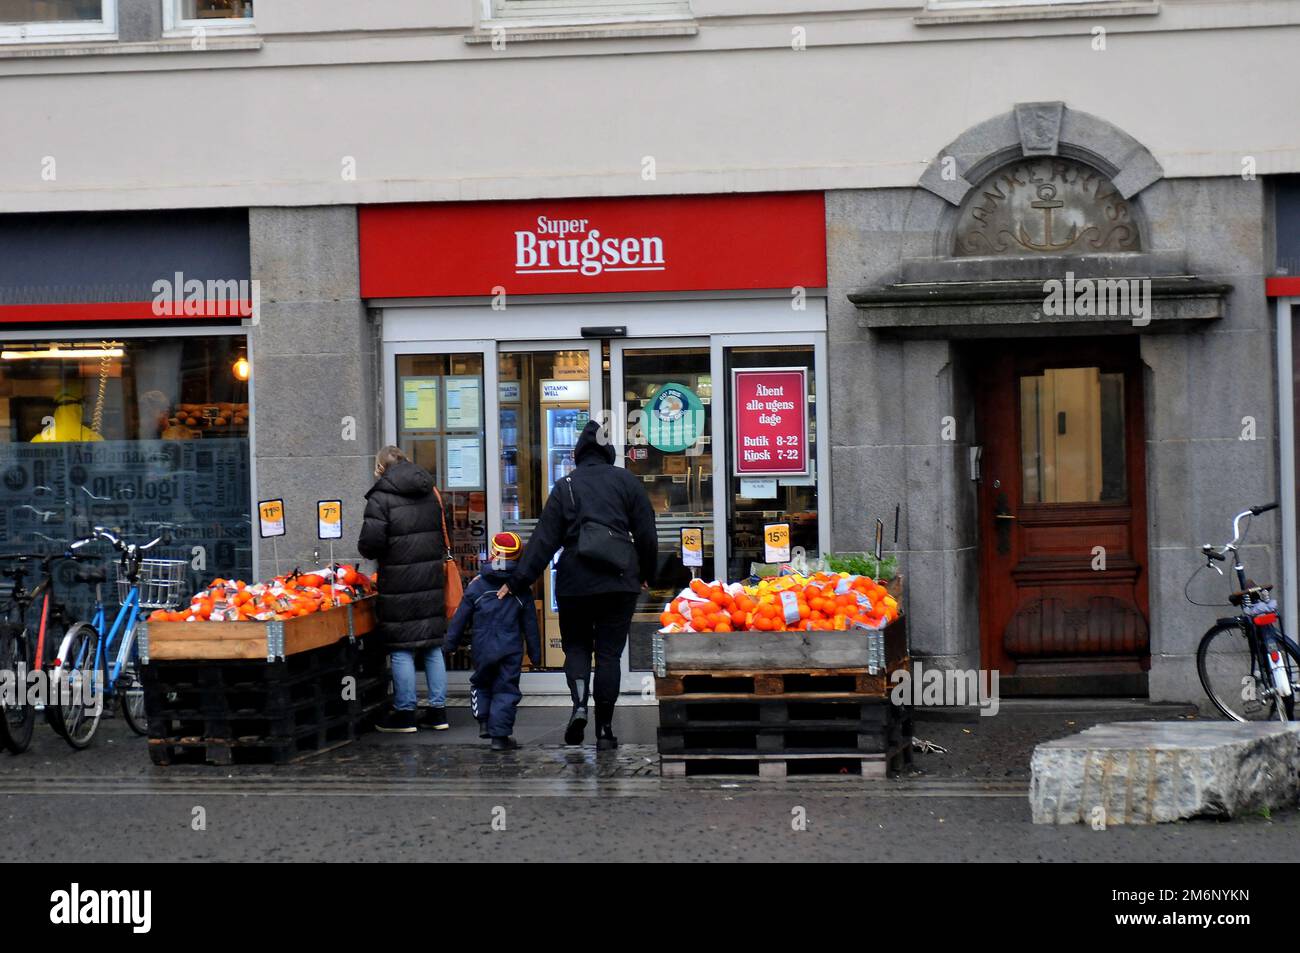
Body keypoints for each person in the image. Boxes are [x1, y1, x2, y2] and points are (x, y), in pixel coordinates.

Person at [502, 419, 657, 750]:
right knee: (609, 655)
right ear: (608, 452)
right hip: (618, 581)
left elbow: (543, 542)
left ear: (577, 454)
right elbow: (647, 533)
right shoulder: (627, 482)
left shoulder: (565, 486)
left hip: (574, 582)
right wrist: (647, 572)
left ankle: (579, 707)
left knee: (576, 648)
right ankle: (604, 730)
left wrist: (517, 583)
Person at [357, 446, 450, 733]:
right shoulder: (429, 491)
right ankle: (438, 712)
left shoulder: (380, 497)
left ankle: (405, 712)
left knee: (401, 649)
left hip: (399, 581)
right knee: (433, 645)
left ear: (381, 468)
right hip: (431, 578)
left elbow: (371, 544)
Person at [445, 532, 542, 751]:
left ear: (493, 553)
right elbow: (530, 626)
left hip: (482, 646)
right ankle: (500, 737)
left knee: (481, 682)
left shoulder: (477, 585)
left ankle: (483, 721)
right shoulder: (520, 590)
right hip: (510, 649)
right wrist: (536, 655)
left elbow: (460, 618)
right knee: (506, 689)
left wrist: (450, 644)